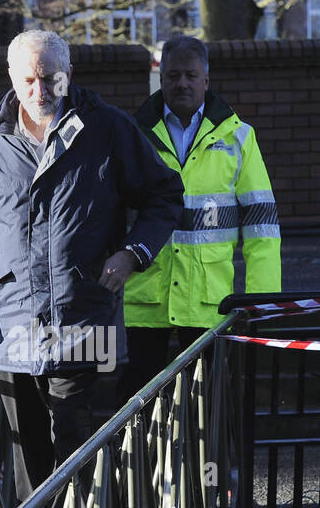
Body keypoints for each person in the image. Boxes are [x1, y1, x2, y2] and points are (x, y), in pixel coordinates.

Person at [0, 29, 183, 506]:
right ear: (11, 77)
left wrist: (133, 253)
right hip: (12, 324)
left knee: (82, 448)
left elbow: (164, 195)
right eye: (29, 80)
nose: (40, 92)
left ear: (70, 75)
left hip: (86, 318)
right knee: (27, 460)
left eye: (51, 79)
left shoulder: (108, 130)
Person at [119, 35, 282, 403]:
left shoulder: (238, 138)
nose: (182, 84)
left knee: (206, 405)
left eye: (191, 75)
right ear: (161, 79)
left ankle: (204, 465)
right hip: (145, 300)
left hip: (208, 301)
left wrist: (260, 299)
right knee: (136, 408)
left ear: (206, 80)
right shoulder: (133, 134)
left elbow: (262, 227)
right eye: (173, 75)